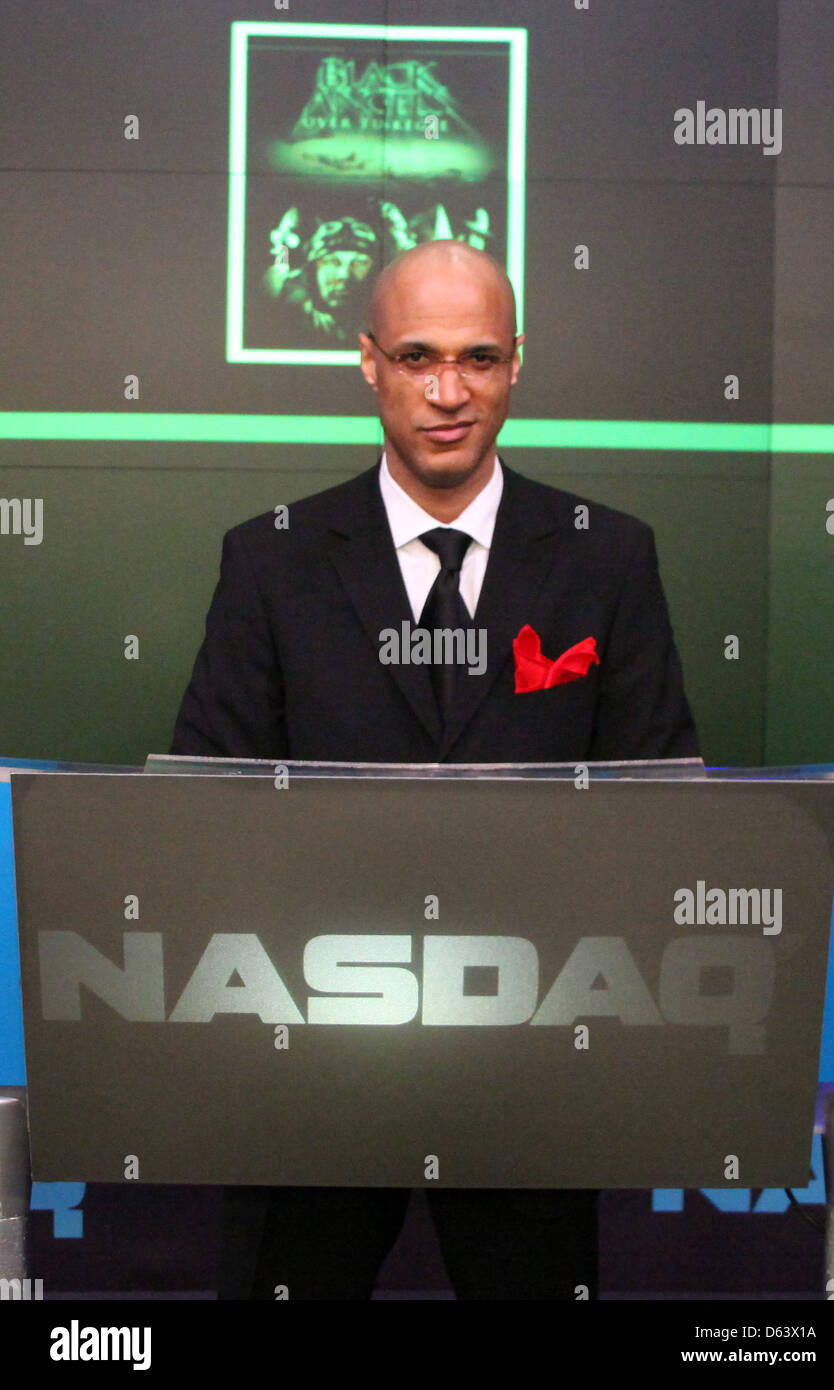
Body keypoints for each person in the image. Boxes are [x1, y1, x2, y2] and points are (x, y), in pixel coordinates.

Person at [171, 239, 700, 1298]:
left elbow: (660, 810)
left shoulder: (608, 555)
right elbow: (203, 807)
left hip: (535, 1064)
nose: (447, 391)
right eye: (417, 357)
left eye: (477, 358)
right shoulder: (269, 557)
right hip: (310, 1064)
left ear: (515, 365)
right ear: (368, 362)